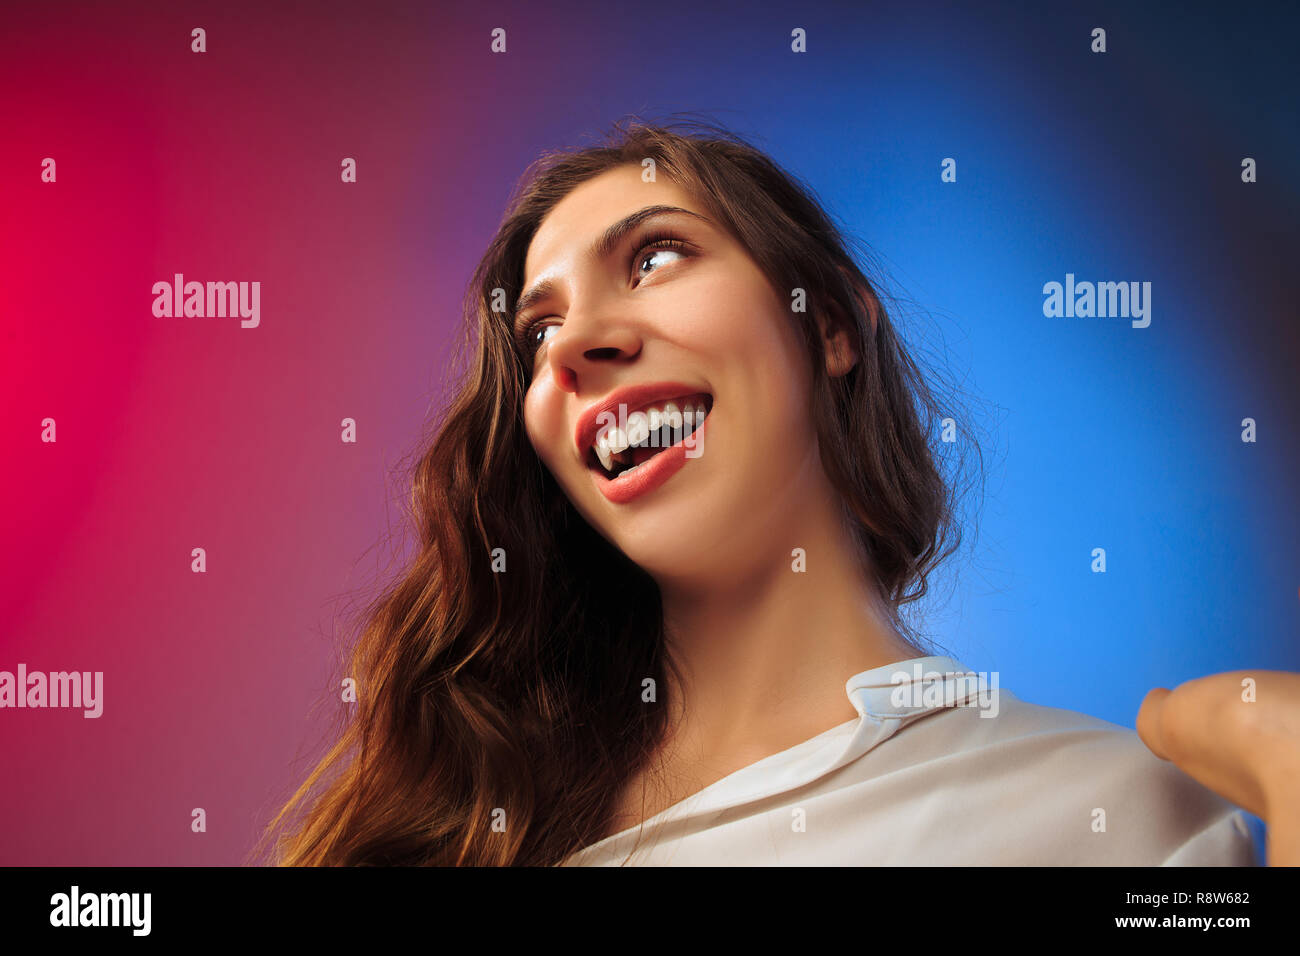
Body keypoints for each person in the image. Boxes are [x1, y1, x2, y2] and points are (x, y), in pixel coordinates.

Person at [259, 118, 1264, 866]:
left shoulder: (1121, 818)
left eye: (654, 256)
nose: (570, 346)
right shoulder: (469, 817)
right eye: (535, 332)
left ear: (825, 323)